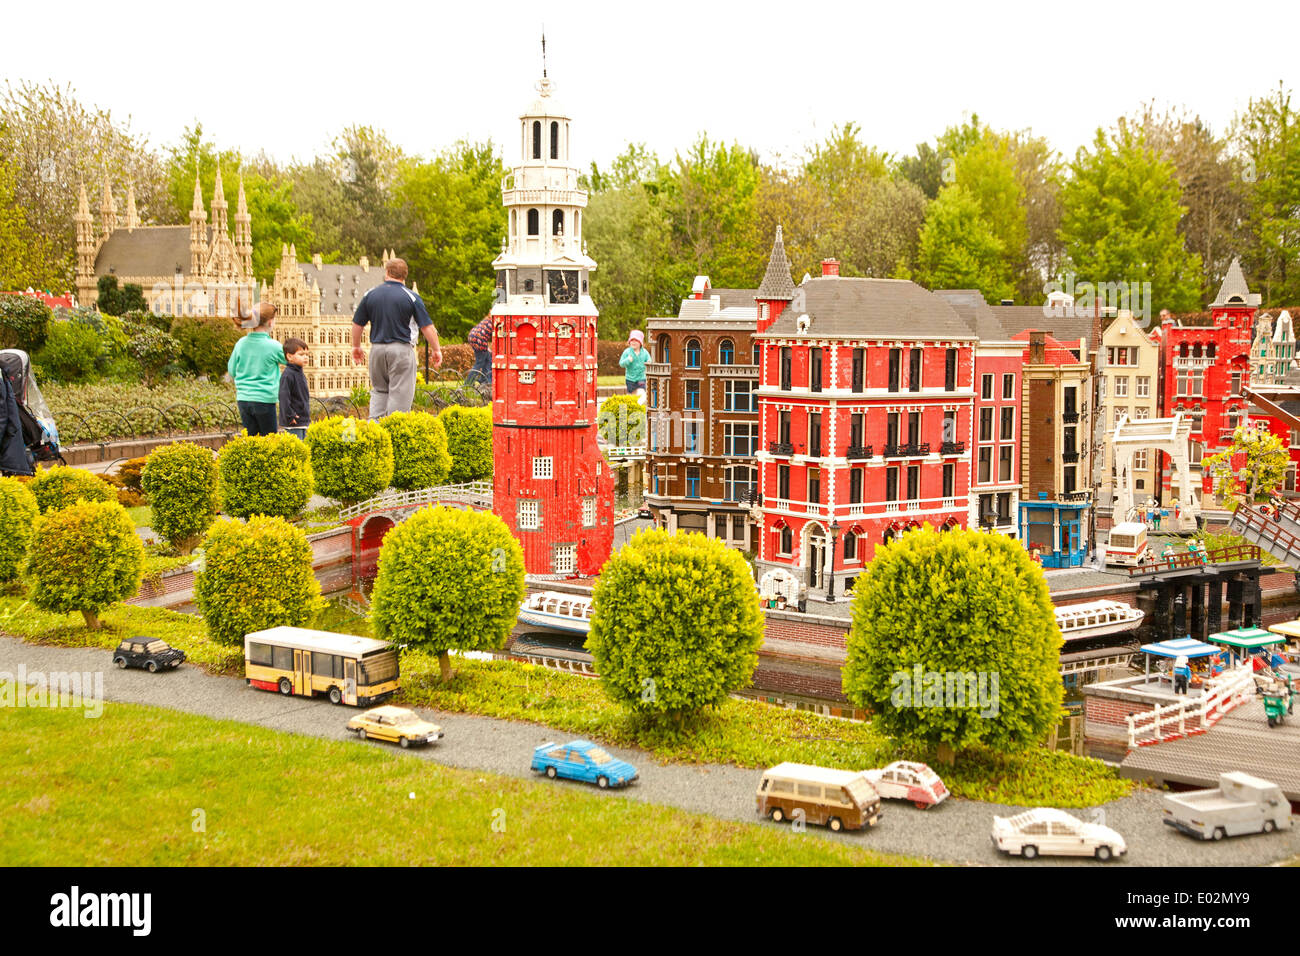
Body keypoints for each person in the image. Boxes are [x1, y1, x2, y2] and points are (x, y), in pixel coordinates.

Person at [352, 258, 442, 419]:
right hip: (401, 350)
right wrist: (436, 349)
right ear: (405, 276)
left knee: (379, 391)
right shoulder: (411, 296)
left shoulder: (370, 294)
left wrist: (356, 347)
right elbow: (427, 327)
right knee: (400, 394)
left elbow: (357, 324)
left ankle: (376, 431)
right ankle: (394, 431)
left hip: (377, 350)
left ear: (386, 272)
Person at [228, 302, 285, 436]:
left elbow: (232, 370)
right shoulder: (274, 346)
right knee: (269, 441)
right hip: (264, 399)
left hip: (243, 399)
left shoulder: (240, 344)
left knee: (252, 441)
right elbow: (290, 361)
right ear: (270, 322)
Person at [279, 337, 311, 440]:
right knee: (297, 450)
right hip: (294, 421)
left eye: (307, 355)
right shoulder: (288, 375)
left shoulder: (300, 373)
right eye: (301, 355)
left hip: (303, 420)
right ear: (289, 356)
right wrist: (290, 415)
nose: (305, 357)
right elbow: (284, 397)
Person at [465, 314, 493, 388]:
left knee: (488, 360)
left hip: (473, 336)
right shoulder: (495, 321)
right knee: (479, 363)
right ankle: (468, 383)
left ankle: (486, 381)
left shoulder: (488, 319)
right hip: (479, 339)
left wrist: (488, 349)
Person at [619, 330, 648, 395]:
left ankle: (638, 404)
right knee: (631, 395)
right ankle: (628, 404)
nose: (633, 342)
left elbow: (649, 361)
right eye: (632, 340)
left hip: (641, 378)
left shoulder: (645, 352)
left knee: (642, 393)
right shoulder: (627, 352)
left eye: (636, 340)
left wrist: (648, 363)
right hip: (630, 379)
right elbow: (621, 363)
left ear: (640, 342)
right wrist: (628, 360)